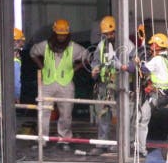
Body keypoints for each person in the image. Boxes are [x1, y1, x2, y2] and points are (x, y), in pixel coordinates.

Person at [29, 19, 88, 151]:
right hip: (47, 83)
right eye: (59, 34)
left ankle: (64, 139)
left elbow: (87, 57)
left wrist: (74, 69)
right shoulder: (45, 46)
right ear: (54, 33)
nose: (61, 37)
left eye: (64, 35)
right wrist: (42, 67)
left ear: (67, 34)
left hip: (66, 84)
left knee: (66, 114)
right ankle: (42, 140)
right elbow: (33, 52)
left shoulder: (74, 48)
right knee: (43, 112)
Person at [120, 33, 168, 158]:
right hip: (163, 94)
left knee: (141, 120)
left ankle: (141, 150)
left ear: (158, 46)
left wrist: (137, 62)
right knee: (140, 118)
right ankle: (139, 147)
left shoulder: (157, 60)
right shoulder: (166, 59)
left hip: (158, 95)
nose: (151, 47)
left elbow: (143, 70)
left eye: (153, 44)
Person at [89, 16, 119, 155]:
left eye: (110, 33)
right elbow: (95, 61)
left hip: (119, 85)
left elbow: (131, 63)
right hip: (104, 84)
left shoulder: (126, 45)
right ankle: (102, 143)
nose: (108, 36)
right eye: (106, 34)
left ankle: (122, 144)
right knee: (103, 114)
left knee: (122, 116)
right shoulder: (101, 46)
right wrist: (94, 69)